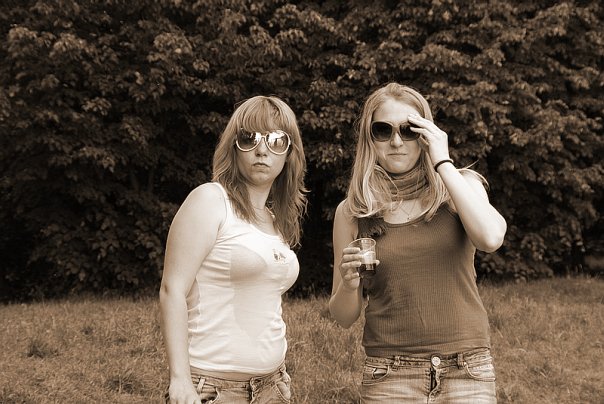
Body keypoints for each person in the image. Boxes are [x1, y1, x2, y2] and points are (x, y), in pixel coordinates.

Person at [329, 83, 507, 403]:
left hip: (467, 369)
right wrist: (348, 282)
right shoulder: (354, 211)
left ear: (427, 135)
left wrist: (443, 162)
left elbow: (491, 239)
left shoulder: (460, 186)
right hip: (390, 374)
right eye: (383, 130)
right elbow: (343, 317)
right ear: (369, 138)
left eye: (409, 130)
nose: (396, 142)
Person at [160, 95, 307, 404]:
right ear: (234, 147)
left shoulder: (274, 220)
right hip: (214, 389)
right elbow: (172, 289)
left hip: (274, 386)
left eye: (276, 140)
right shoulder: (210, 200)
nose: (262, 150)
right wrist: (180, 380)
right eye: (249, 138)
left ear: (289, 153)